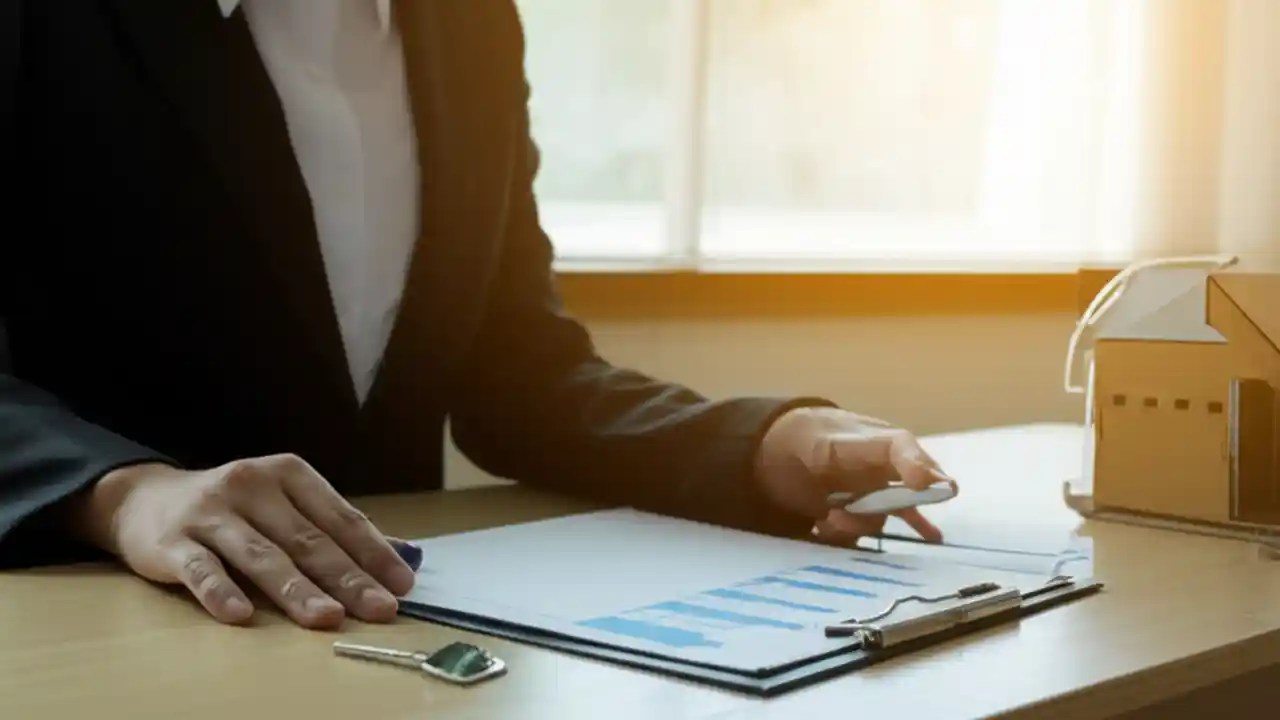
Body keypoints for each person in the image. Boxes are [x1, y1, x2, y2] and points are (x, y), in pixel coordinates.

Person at [0, 0, 956, 629]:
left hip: (405, 637)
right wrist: (120, 492)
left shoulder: (472, 26)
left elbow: (513, 370)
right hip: (104, 631)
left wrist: (750, 447)